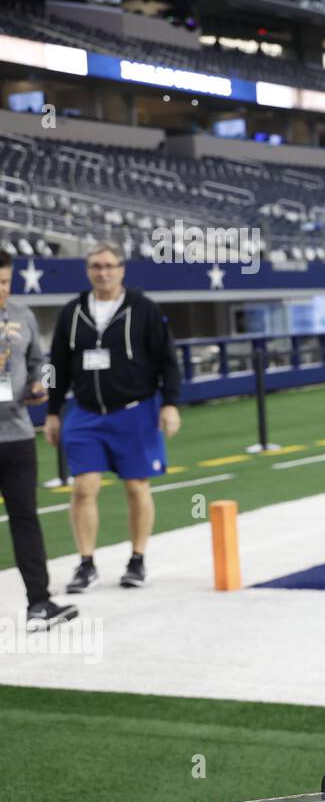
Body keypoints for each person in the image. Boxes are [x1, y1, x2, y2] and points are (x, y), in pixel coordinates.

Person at [45, 242, 182, 592]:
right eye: (95, 266)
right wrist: (52, 412)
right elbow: (57, 365)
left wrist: (170, 403)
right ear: (87, 270)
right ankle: (86, 563)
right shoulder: (72, 312)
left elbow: (168, 359)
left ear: (122, 269)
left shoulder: (145, 309)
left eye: (108, 265)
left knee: (136, 487)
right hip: (86, 413)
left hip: (135, 411)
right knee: (83, 487)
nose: (102, 272)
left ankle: (137, 560)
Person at [0, 252, 77, 630]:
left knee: (25, 518)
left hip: (15, 435)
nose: (1, 290)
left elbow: (42, 364)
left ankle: (40, 603)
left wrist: (39, 386)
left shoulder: (23, 314)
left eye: (4, 282)